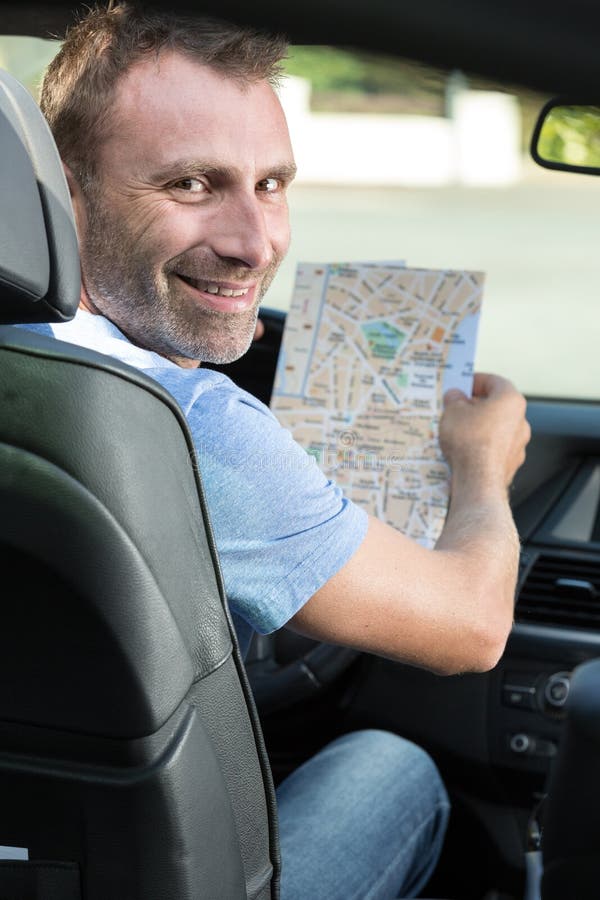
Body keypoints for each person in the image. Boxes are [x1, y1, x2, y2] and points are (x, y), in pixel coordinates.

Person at [30, 3, 530, 897]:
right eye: (191, 184)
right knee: (395, 765)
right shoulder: (188, 425)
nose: (256, 243)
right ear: (68, 195)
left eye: (271, 184)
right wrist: (483, 467)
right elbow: (472, 626)